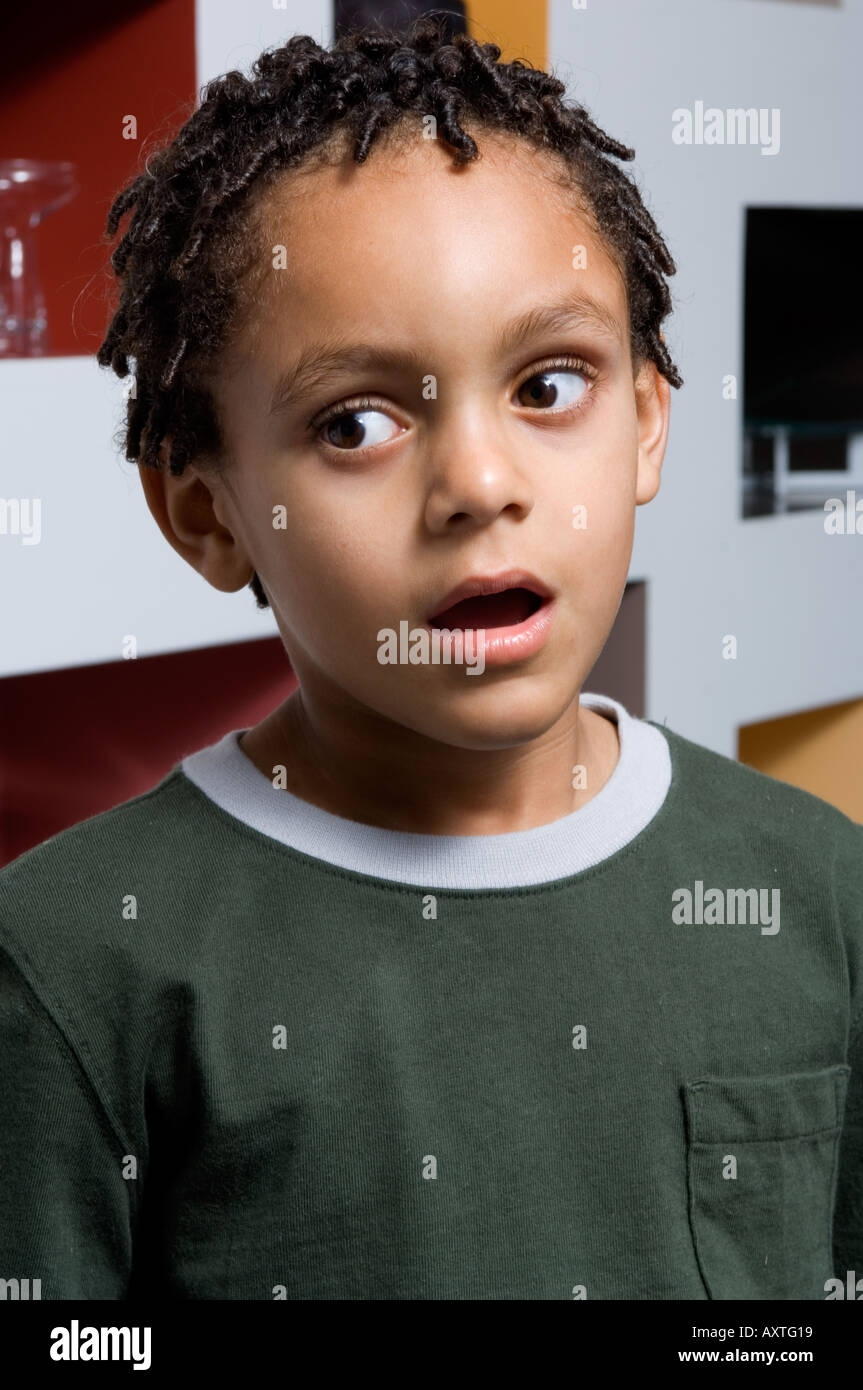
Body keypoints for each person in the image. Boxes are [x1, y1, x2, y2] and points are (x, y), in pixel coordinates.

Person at [1, 14, 860, 1300]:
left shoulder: (820, 889)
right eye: (355, 421)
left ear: (643, 422)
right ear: (207, 512)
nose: (476, 483)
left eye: (549, 383)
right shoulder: (69, 966)